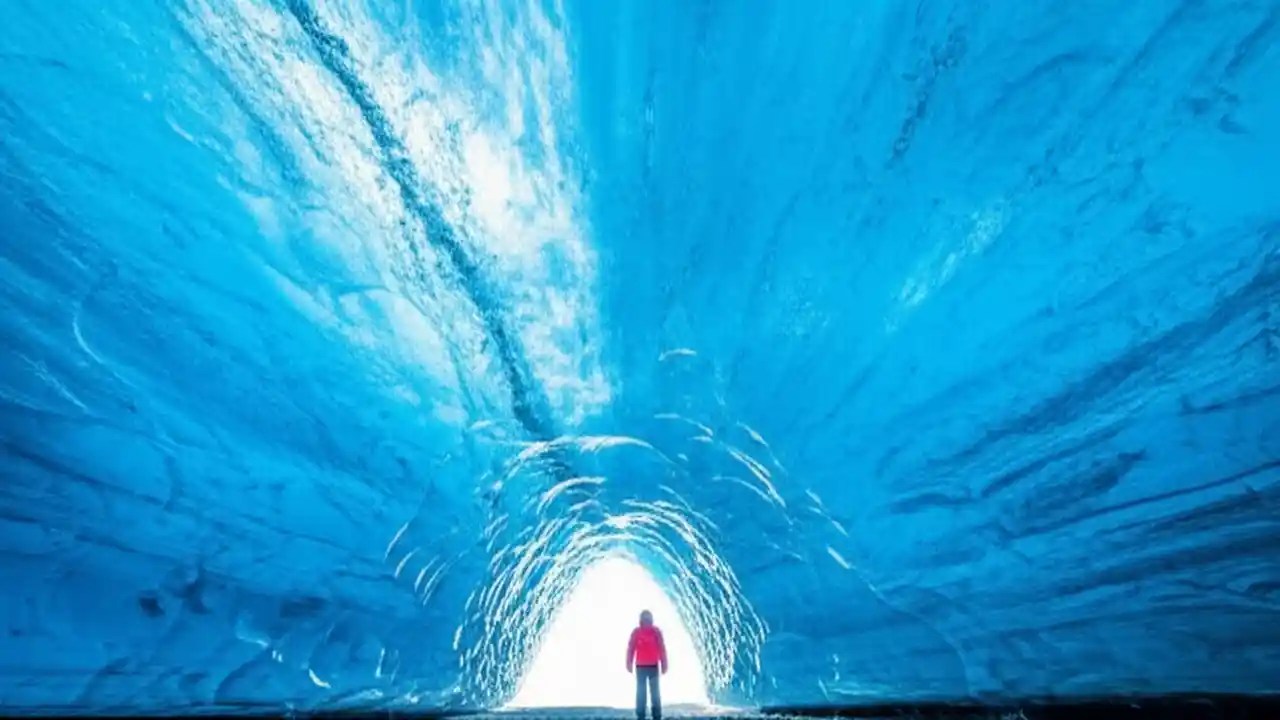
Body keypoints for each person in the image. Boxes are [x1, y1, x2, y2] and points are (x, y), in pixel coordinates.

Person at [625, 609, 668, 720]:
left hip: (653, 665)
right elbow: (631, 648)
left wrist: (664, 663)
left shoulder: (656, 632)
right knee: (641, 692)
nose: (647, 621)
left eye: (649, 619)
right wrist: (628, 662)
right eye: (645, 619)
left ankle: (657, 715)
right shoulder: (636, 632)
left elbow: (662, 648)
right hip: (641, 666)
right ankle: (640, 714)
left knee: (655, 692)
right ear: (641, 621)